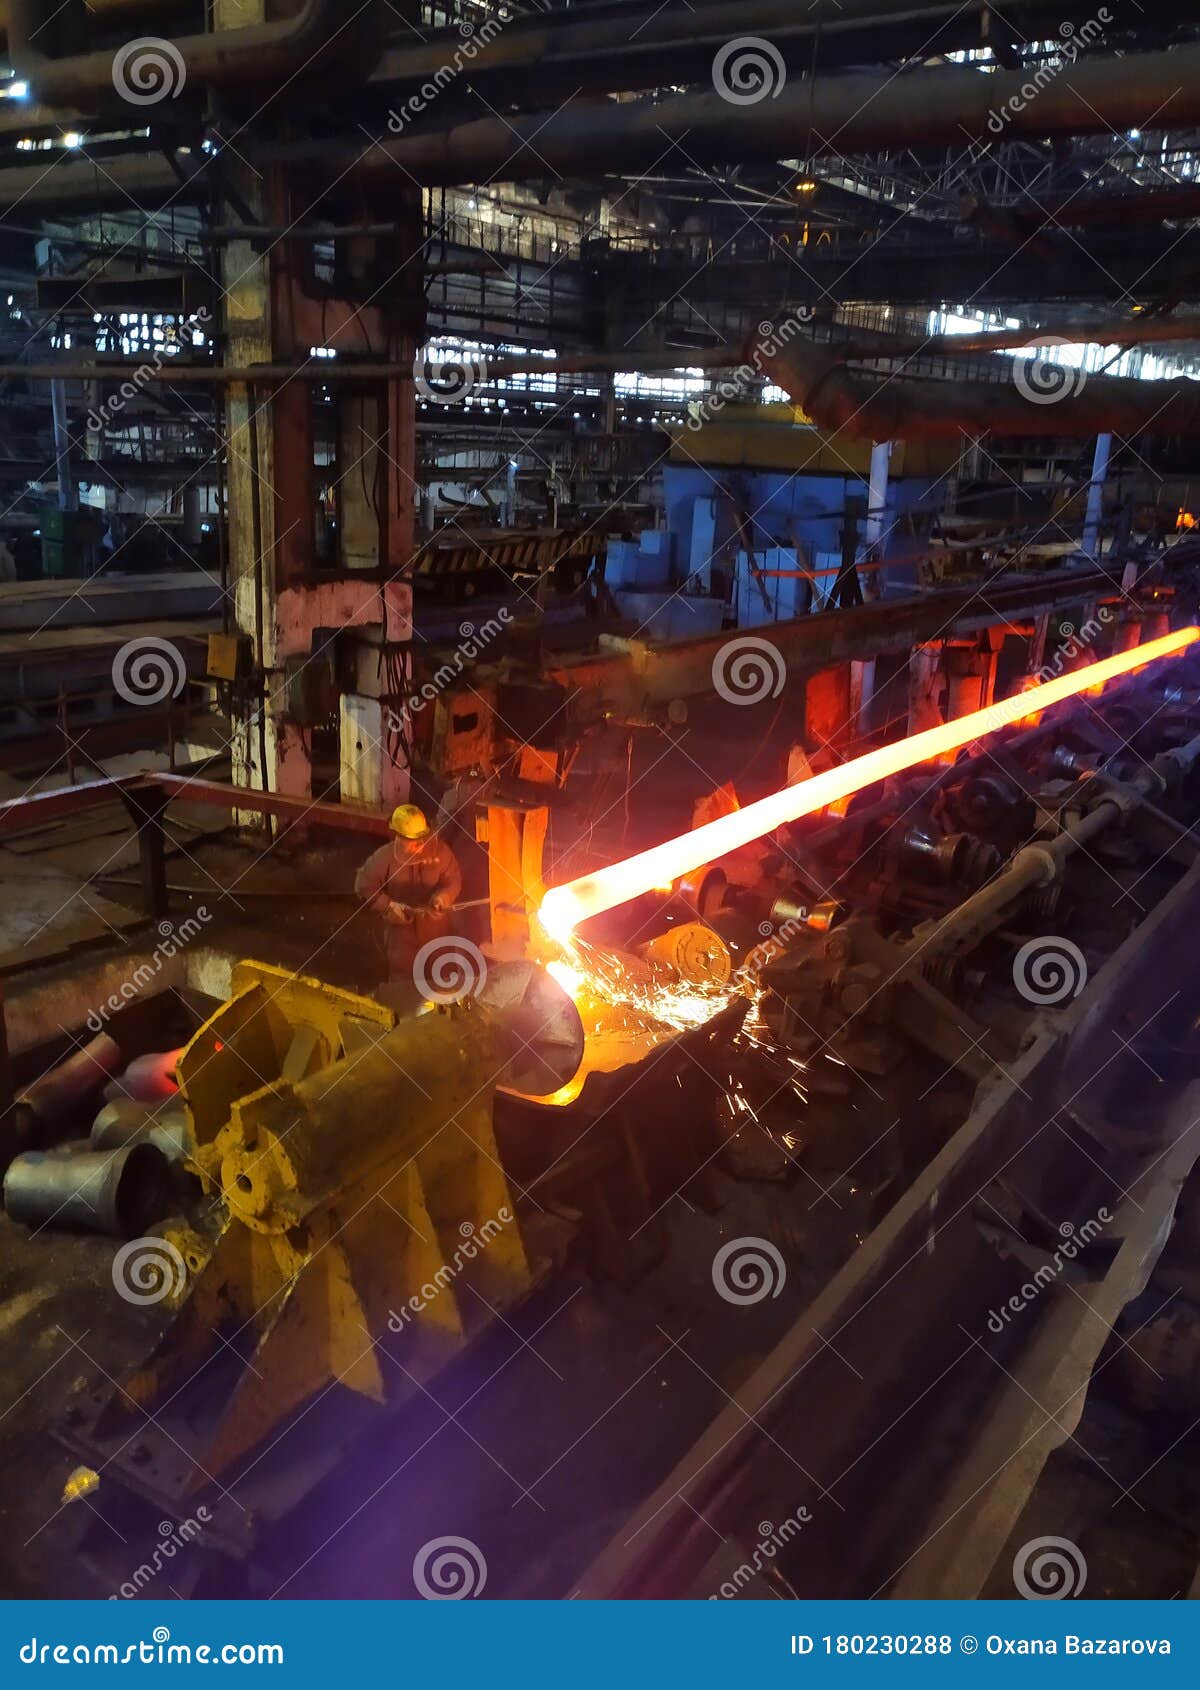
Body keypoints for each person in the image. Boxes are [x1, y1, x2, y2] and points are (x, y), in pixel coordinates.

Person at [354, 803, 463, 983]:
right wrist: (388, 905)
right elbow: (364, 884)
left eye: (422, 838)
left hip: (437, 931)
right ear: (399, 837)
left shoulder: (440, 852)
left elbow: (453, 881)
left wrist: (443, 897)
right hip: (401, 933)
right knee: (403, 982)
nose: (420, 845)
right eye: (413, 841)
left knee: (444, 978)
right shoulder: (385, 857)